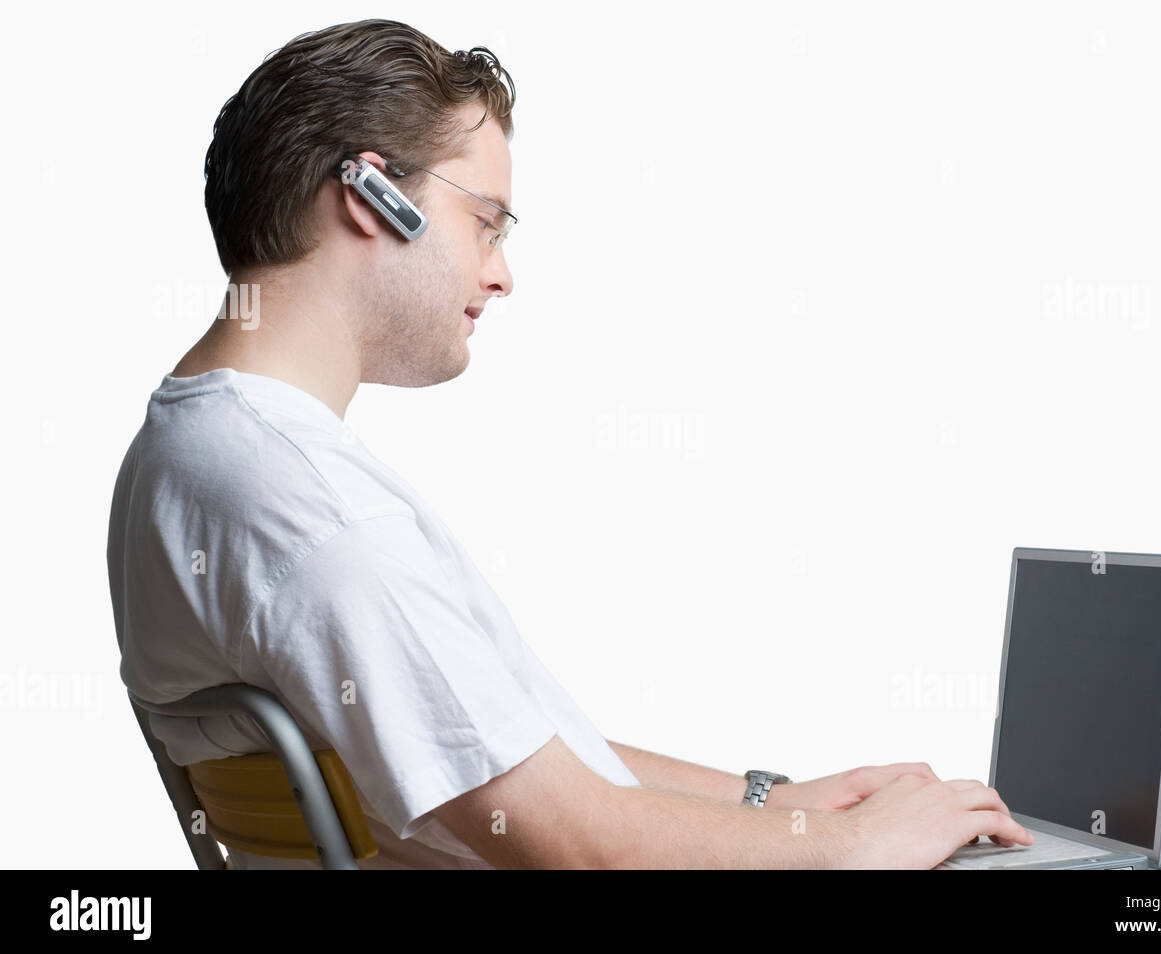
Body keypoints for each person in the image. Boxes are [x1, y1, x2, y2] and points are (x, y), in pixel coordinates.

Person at [106, 18, 1033, 869]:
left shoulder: (190, 454)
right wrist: (858, 850)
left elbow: (504, 752)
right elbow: (583, 847)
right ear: (371, 196)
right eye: (487, 223)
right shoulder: (313, 511)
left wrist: (777, 804)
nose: (501, 274)